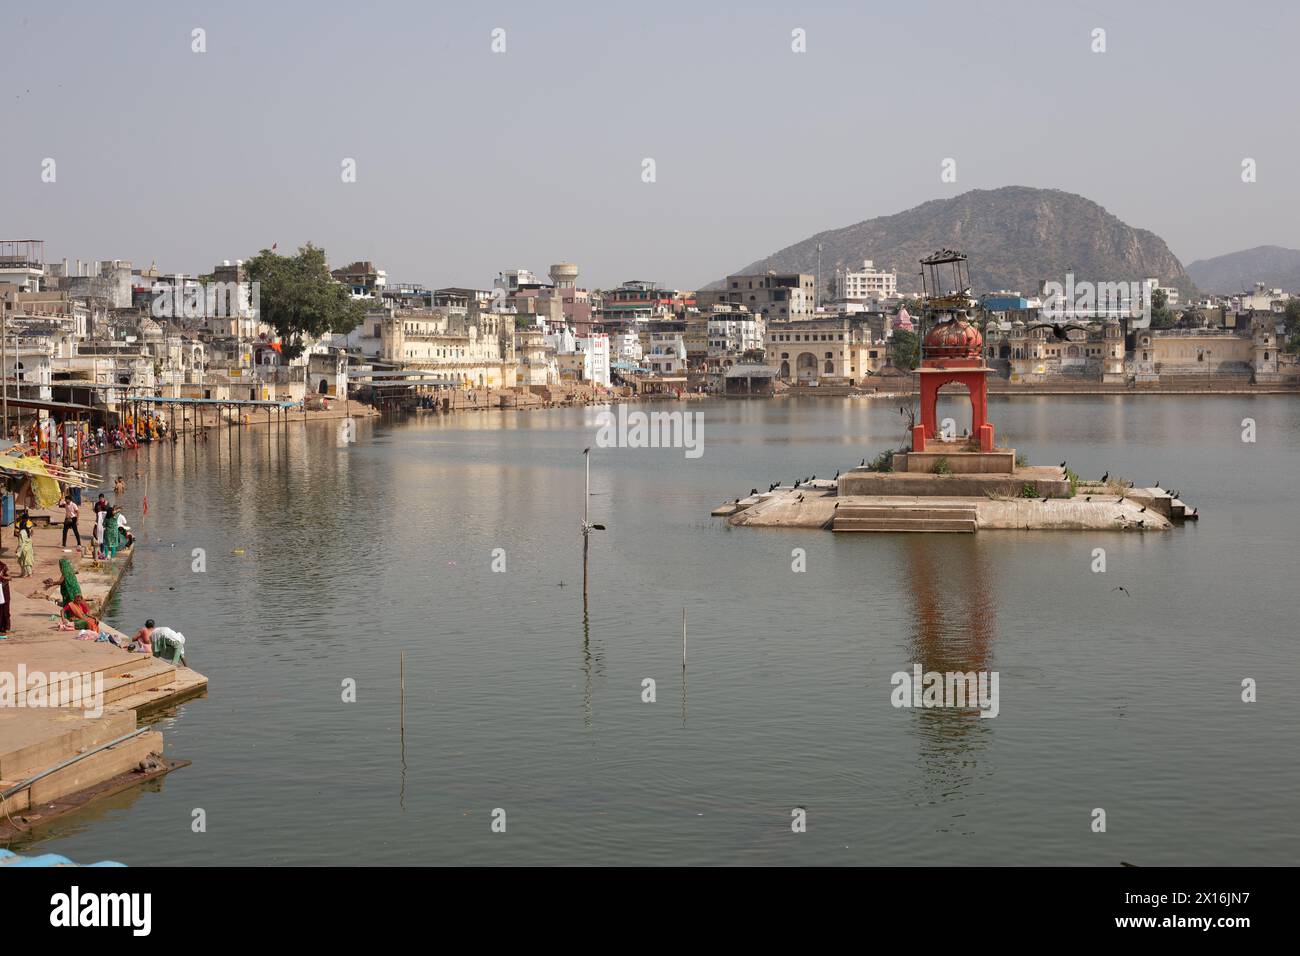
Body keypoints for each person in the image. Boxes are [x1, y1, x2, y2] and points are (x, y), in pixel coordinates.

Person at [0, 562, 11, 635]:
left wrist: (2, 577)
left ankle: (6, 627)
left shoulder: (3, 566)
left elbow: (10, 577)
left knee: (5, 609)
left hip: (4, 591)